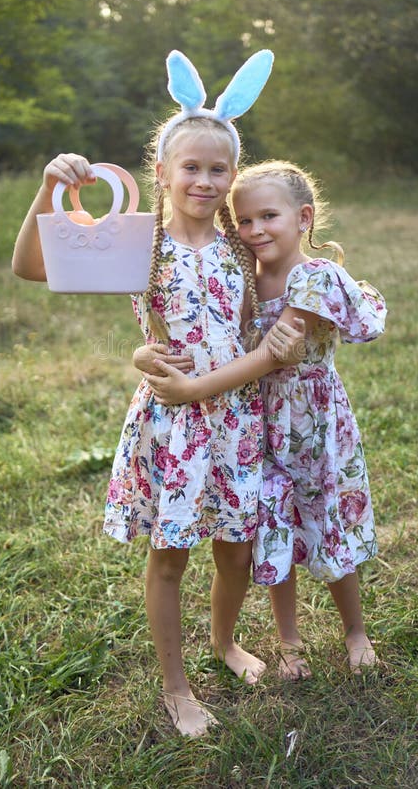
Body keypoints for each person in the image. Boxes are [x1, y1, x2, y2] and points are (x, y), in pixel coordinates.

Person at [13, 51, 305, 737]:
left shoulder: (242, 245)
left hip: (237, 418)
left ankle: (226, 643)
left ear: (233, 176)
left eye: (218, 169)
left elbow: (292, 272)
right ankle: (176, 687)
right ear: (163, 173)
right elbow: (30, 266)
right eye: (191, 167)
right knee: (170, 555)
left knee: (235, 549)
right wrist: (46, 190)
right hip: (174, 425)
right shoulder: (136, 241)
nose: (204, 180)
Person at [142, 160, 387, 681]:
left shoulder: (313, 278)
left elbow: (274, 356)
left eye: (268, 217)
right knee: (274, 525)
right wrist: (145, 355)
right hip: (256, 423)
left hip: (313, 425)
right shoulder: (247, 276)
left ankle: (354, 630)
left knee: (328, 525)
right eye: (245, 220)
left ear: (304, 217)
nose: (254, 231)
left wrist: (189, 390)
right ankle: (289, 640)